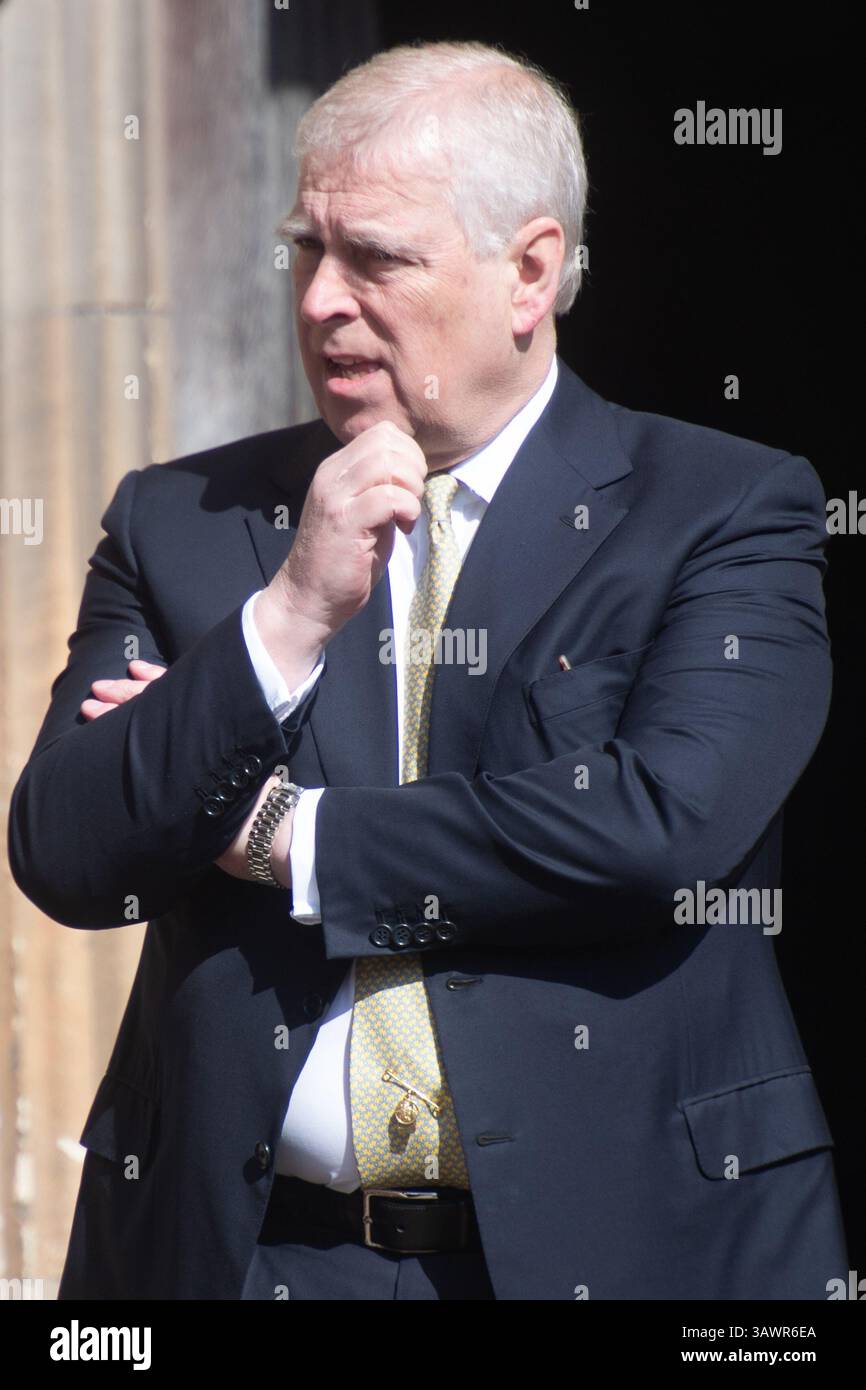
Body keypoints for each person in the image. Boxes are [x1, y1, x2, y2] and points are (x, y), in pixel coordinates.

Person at [8, 39, 848, 1301]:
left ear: (531, 271)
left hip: (618, 1253)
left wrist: (289, 837)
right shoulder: (183, 520)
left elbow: (655, 823)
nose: (319, 301)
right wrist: (285, 617)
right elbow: (68, 849)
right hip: (241, 1259)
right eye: (305, 248)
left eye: (377, 259)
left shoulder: (720, 509)